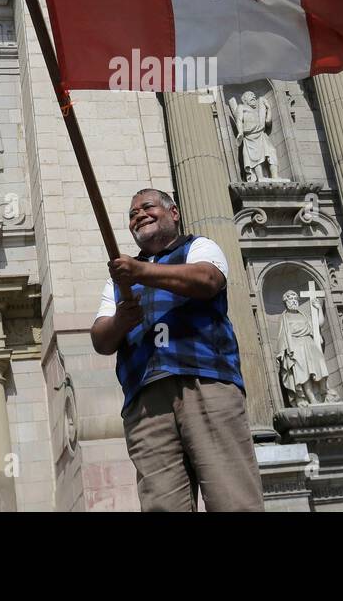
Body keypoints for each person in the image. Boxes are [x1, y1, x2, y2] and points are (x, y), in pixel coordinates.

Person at [91, 188, 264, 511]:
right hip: (145, 399)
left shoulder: (198, 247)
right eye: (132, 213)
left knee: (232, 497)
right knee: (162, 505)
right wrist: (119, 322)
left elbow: (207, 279)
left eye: (147, 207)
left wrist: (141, 272)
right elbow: (101, 340)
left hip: (205, 382)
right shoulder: (118, 281)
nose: (138, 215)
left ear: (174, 213)